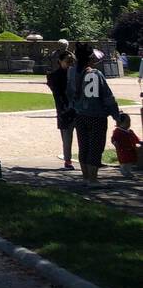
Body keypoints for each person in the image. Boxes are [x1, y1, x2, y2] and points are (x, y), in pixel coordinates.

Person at [68, 42, 120, 186]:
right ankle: (93, 179)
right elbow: (107, 97)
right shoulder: (96, 74)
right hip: (97, 115)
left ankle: (85, 177)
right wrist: (116, 115)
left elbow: (70, 94)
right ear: (90, 58)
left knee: (83, 145)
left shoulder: (72, 72)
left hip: (79, 114)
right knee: (95, 147)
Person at [46, 49, 76, 169]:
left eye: (71, 61)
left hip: (77, 109)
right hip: (64, 110)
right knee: (67, 138)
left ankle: (87, 160)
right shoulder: (55, 76)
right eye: (67, 61)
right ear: (60, 61)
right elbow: (57, 94)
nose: (69, 63)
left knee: (83, 136)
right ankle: (67, 161)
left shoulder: (76, 74)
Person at [111, 113, 139, 180]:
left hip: (131, 149)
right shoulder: (118, 131)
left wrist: (139, 142)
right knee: (124, 161)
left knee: (130, 161)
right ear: (120, 123)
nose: (129, 123)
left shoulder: (130, 131)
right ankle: (125, 172)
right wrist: (115, 143)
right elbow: (114, 139)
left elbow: (135, 139)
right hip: (123, 150)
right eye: (127, 122)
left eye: (129, 121)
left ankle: (128, 172)